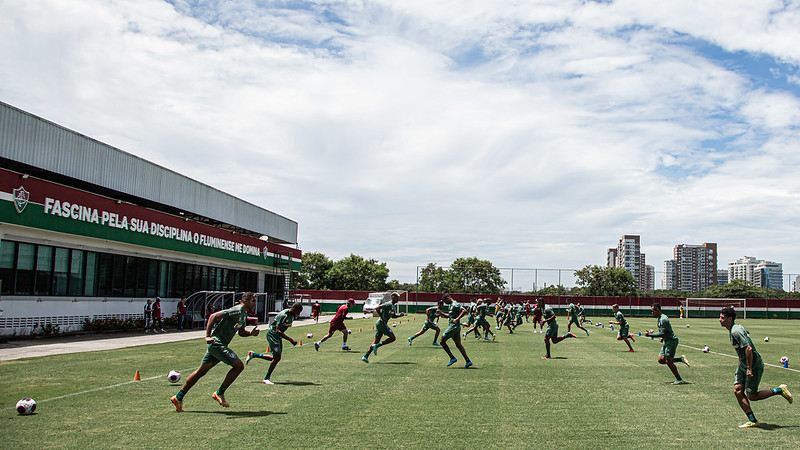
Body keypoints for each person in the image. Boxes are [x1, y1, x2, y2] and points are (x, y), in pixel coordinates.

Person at [170, 292, 260, 412]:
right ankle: (220, 393)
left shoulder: (243, 315)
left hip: (218, 346)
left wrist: (251, 333)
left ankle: (178, 397)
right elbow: (213, 316)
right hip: (217, 344)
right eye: (253, 301)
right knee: (239, 366)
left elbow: (241, 332)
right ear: (244, 301)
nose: (255, 303)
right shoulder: (236, 310)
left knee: (200, 372)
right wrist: (208, 336)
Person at [719, 306, 792, 428]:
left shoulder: (735, 331)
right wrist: (741, 366)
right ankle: (752, 420)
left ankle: (780, 390)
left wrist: (749, 368)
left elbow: (748, 349)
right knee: (738, 390)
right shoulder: (734, 329)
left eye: (722, 318)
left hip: (753, 364)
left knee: (752, 396)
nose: (720, 320)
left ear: (730, 319)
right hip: (743, 364)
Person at [246, 302, 302, 385]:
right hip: (273, 334)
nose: (299, 314)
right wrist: (290, 340)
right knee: (277, 357)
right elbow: (277, 330)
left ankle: (254, 355)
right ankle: (266, 378)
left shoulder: (292, 316)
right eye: (298, 312)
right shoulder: (284, 315)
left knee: (276, 358)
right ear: (294, 309)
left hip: (278, 336)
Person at [644, 303, 690, 385]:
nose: (652, 313)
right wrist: (663, 338)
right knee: (661, 360)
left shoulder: (663, 319)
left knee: (668, 361)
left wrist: (651, 335)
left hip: (671, 341)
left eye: (653, 311)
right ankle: (680, 359)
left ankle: (679, 379)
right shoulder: (660, 318)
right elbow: (665, 331)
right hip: (667, 340)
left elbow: (663, 333)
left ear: (657, 309)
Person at [362, 292, 404, 363]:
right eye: (397, 298)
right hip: (382, 323)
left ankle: (365, 356)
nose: (398, 299)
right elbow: (377, 308)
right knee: (392, 338)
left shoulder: (393, 306)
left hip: (380, 324)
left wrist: (399, 315)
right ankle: (377, 346)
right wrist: (381, 317)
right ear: (393, 297)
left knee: (376, 341)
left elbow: (393, 316)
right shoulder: (388, 304)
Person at [439, 294, 472, 368]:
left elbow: (464, 311)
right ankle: (468, 361)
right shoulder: (451, 305)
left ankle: (452, 358)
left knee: (442, 341)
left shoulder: (455, 304)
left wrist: (457, 319)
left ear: (448, 298)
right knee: (458, 344)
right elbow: (450, 316)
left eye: (445, 301)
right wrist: (441, 313)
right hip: (455, 327)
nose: (445, 303)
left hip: (453, 327)